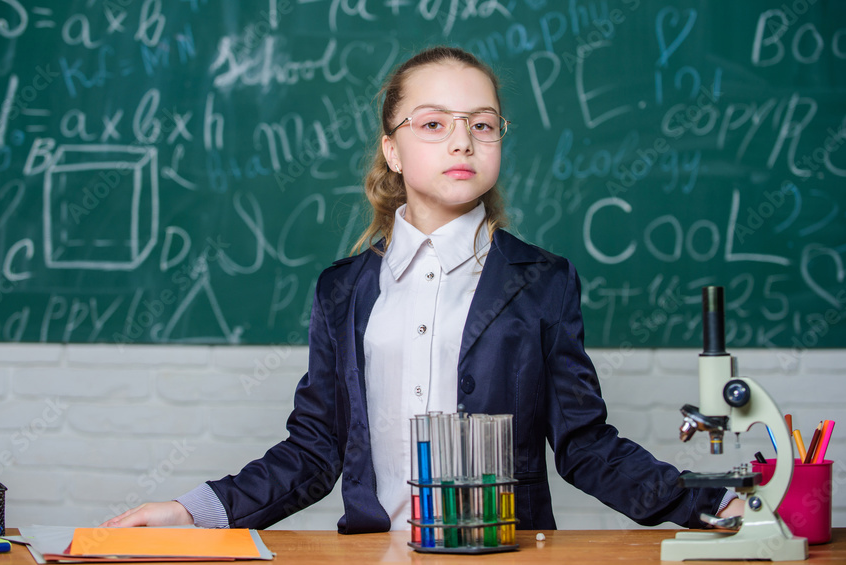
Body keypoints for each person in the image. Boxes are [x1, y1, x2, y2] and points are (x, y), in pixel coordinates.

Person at [102, 46, 741, 533]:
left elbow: (584, 445)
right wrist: (196, 512)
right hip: (373, 553)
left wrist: (705, 502)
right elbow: (314, 450)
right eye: (433, 123)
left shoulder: (543, 281)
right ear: (393, 151)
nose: (463, 139)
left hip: (504, 552)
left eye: (483, 124)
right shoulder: (342, 293)